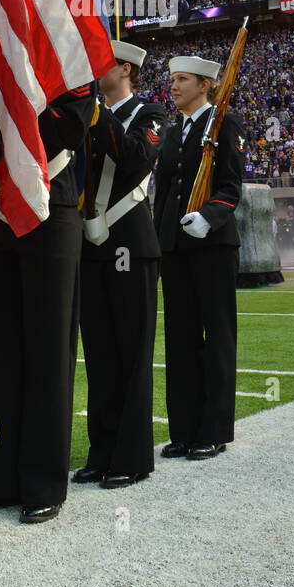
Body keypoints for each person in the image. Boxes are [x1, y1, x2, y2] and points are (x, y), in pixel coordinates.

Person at [0, 82, 97, 525]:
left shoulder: (67, 53)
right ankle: (7, 478)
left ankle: (44, 482)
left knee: (48, 351)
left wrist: (17, 92)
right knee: (1, 350)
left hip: (50, 202)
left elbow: (69, 128)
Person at [73, 41, 167, 489]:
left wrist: (95, 112)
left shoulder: (151, 115)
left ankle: (132, 457)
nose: (93, 68)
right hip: (90, 244)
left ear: (125, 69)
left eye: (102, 61)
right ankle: (102, 451)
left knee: (132, 352)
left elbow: (133, 157)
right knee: (100, 355)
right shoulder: (88, 113)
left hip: (129, 241)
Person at [153, 53, 245, 461]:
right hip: (176, 248)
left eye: (183, 79)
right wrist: (159, 241)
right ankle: (184, 430)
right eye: (173, 79)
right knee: (180, 340)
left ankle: (214, 430)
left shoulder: (225, 123)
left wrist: (209, 216)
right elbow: (164, 191)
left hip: (212, 245)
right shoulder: (175, 131)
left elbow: (231, 184)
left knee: (217, 337)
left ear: (205, 85)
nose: (174, 86)